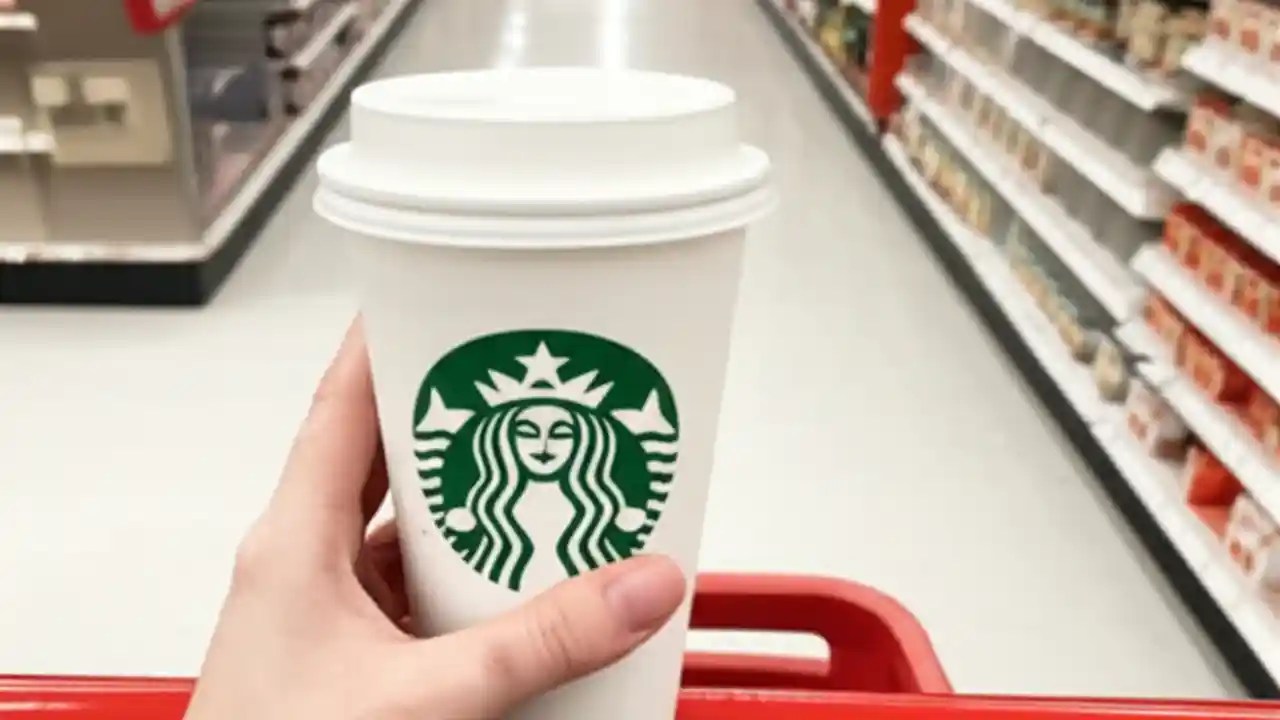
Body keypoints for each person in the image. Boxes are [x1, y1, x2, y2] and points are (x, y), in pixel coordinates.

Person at [185, 322, 687, 719]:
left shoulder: (595, 516)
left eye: (561, 431)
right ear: (498, 443)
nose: (544, 445)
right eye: (526, 431)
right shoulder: (490, 524)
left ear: (590, 441)